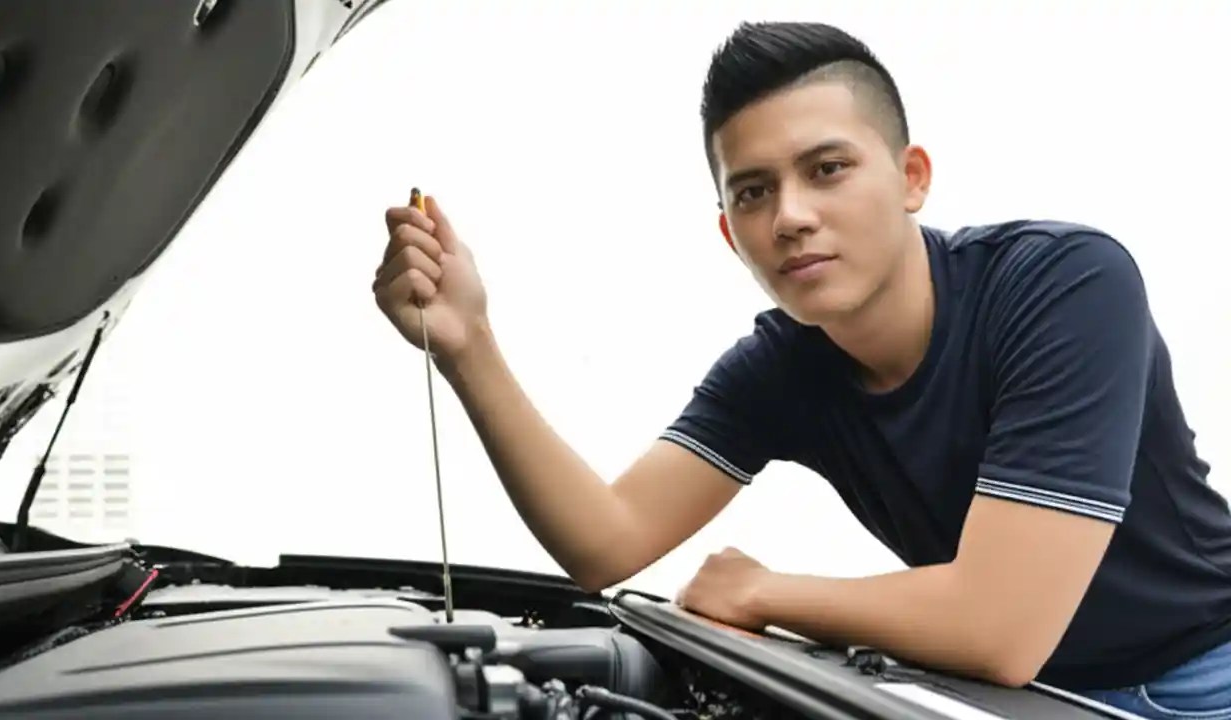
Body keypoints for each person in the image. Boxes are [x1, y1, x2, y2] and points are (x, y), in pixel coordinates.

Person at [372, 20, 1231, 719]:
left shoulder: (1065, 285)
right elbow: (605, 542)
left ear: (911, 177)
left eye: (827, 170)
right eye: (753, 192)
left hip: (1207, 674)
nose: (790, 216)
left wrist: (766, 591)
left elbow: (1002, 626)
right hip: (1021, 702)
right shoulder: (780, 366)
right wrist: (468, 346)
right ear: (727, 232)